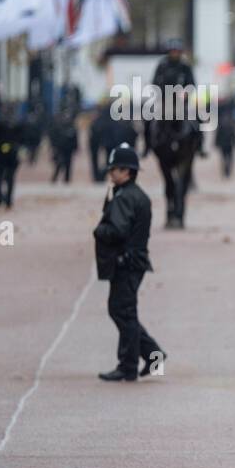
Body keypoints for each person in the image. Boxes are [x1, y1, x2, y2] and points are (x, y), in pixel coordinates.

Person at [93, 143, 165, 382]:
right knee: (123, 311)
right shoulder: (134, 194)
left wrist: (99, 230)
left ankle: (128, 365)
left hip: (126, 262)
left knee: (122, 312)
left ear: (127, 171)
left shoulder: (126, 197)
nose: (111, 173)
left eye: (115, 169)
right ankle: (152, 355)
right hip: (134, 261)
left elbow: (118, 231)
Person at [0, 104, 21, 210]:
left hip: (1, 156)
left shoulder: (0, 125)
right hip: (8, 155)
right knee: (7, 178)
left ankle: (2, 198)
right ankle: (6, 199)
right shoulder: (15, 125)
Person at [49, 107, 80, 184]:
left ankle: (67, 180)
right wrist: (54, 146)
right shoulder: (58, 125)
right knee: (59, 164)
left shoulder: (72, 126)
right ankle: (54, 179)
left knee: (68, 165)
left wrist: (76, 147)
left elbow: (75, 138)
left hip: (69, 149)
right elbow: (53, 136)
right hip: (60, 148)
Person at [214, 97, 235, 179]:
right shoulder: (219, 109)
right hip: (222, 138)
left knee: (229, 155)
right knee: (225, 156)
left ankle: (227, 168)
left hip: (229, 138)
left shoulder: (231, 106)